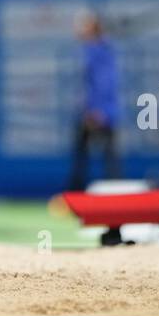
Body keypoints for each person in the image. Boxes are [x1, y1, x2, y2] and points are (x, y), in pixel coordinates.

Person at [68, 11, 121, 191]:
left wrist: (98, 111)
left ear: (92, 29)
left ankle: (115, 197)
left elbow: (104, 83)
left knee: (108, 157)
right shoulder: (90, 49)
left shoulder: (101, 51)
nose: (77, 30)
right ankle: (76, 195)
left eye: (82, 26)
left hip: (100, 112)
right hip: (90, 111)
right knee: (83, 155)